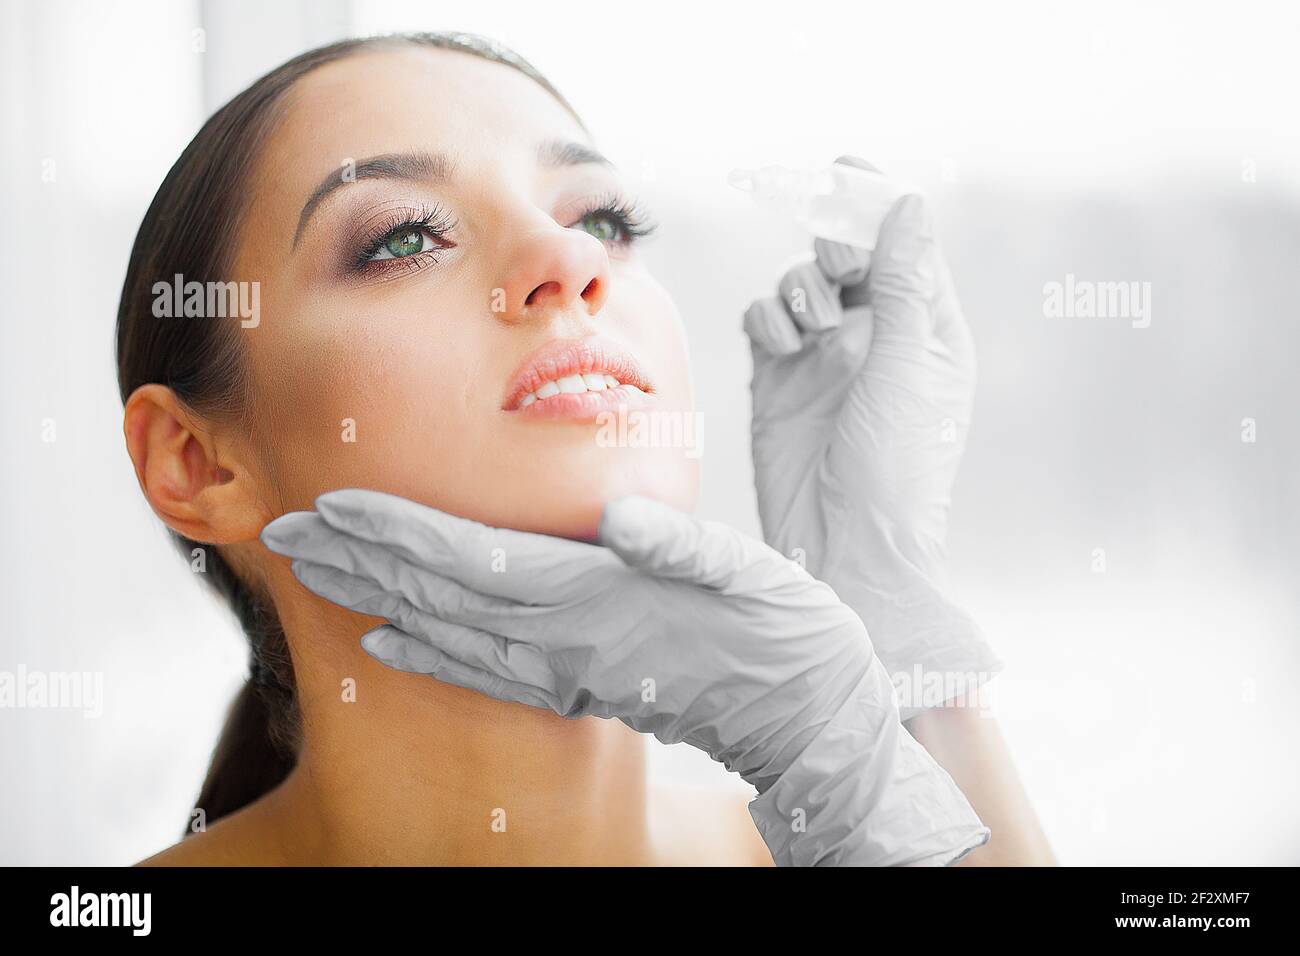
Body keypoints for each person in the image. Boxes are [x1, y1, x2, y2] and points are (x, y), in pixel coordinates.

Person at [120, 31, 1051, 865]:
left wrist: (888, 641)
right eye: (404, 237)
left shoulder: (848, 836)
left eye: (600, 220)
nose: (571, 261)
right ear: (198, 465)